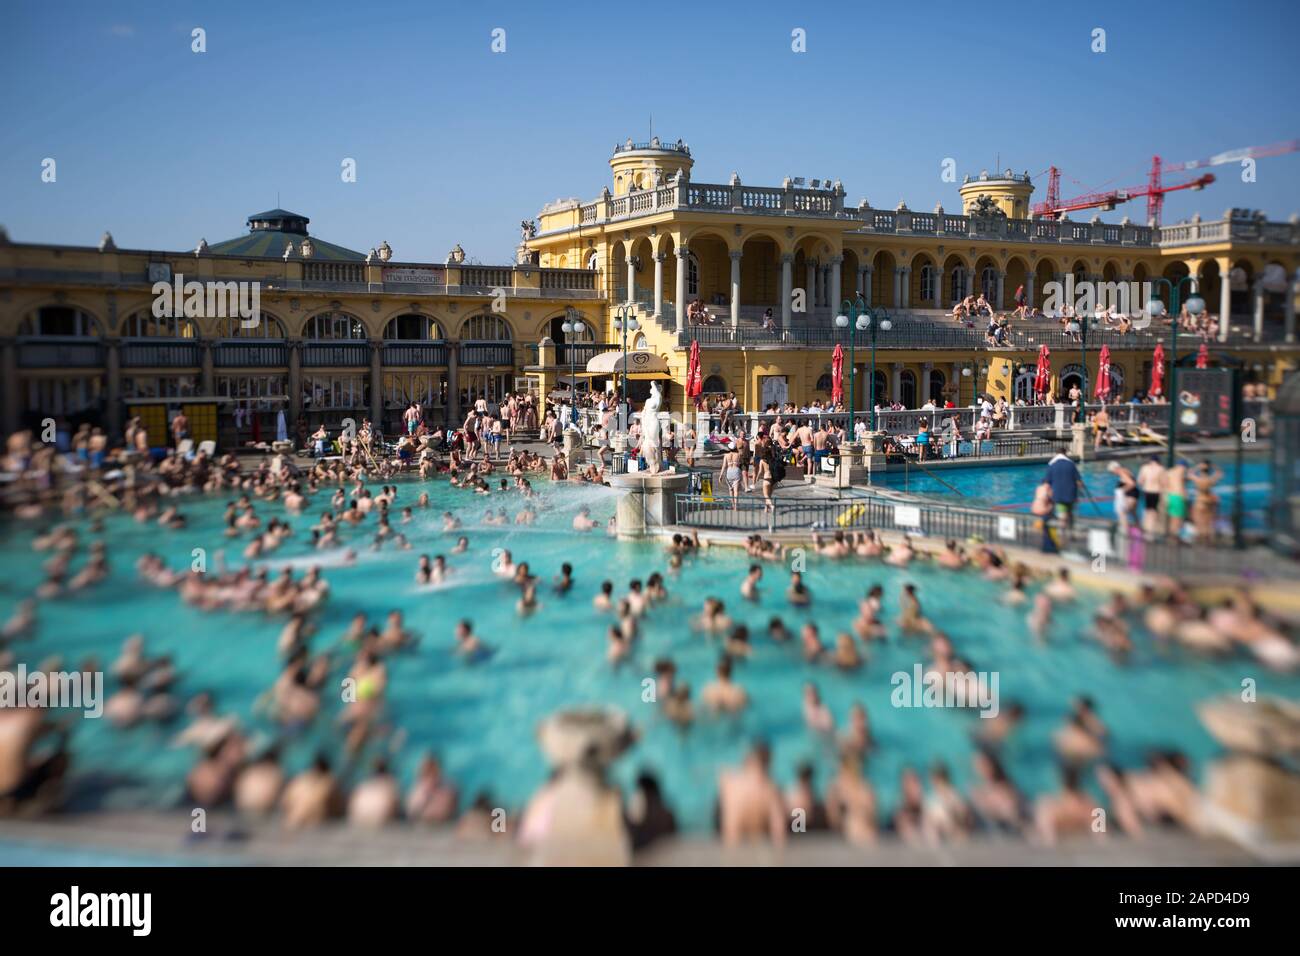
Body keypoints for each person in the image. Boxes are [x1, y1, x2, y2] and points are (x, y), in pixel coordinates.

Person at [1045, 452, 1082, 533]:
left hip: (1058, 495)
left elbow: (1047, 483)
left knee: (1062, 514)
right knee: (1070, 513)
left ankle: (1062, 532)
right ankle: (1071, 531)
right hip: (1071, 495)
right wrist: (1080, 493)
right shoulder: (1071, 465)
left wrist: (1047, 496)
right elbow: (1079, 482)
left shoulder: (1052, 466)